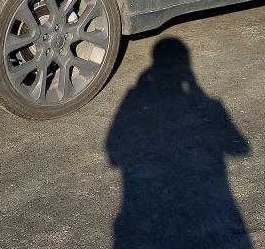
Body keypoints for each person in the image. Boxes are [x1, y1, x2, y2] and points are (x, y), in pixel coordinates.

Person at [106, 38, 253, 248]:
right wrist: (197, 91)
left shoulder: (133, 98)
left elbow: (113, 153)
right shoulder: (204, 105)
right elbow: (240, 147)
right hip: (200, 213)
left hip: (144, 214)